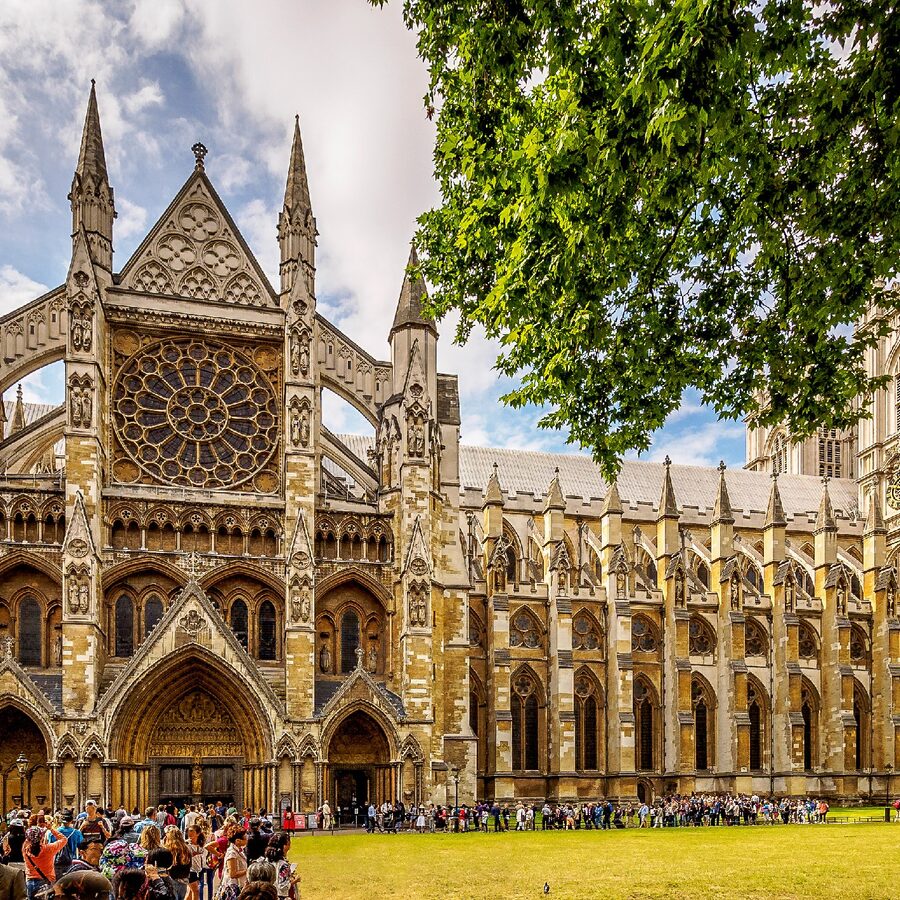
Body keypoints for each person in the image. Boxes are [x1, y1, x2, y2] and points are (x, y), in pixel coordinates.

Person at [23, 824, 67, 900]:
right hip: (46, 882)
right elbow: (64, 839)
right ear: (42, 838)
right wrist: (51, 829)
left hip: (30, 882)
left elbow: (28, 840)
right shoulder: (49, 849)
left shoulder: (25, 849)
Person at [262, 834, 298, 900]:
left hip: (266, 895)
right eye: (288, 844)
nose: (289, 847)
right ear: (283, 846)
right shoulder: (283, 865)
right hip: (279, 896)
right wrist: (295, 881)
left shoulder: (265, 861)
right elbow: (283, 887)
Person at [218, 831, 247, 900]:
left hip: (238, 885)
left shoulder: (239, 850)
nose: (247, 840)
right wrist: (247, 870)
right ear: (238, 841)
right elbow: (232, 874)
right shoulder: (232, 853)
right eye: (245, 838)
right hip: (232, 888)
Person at [163, 830, 191, 900]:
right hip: (183, 879)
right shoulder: (186, 850)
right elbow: (189, 865)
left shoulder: (168, 850)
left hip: (171, 879)